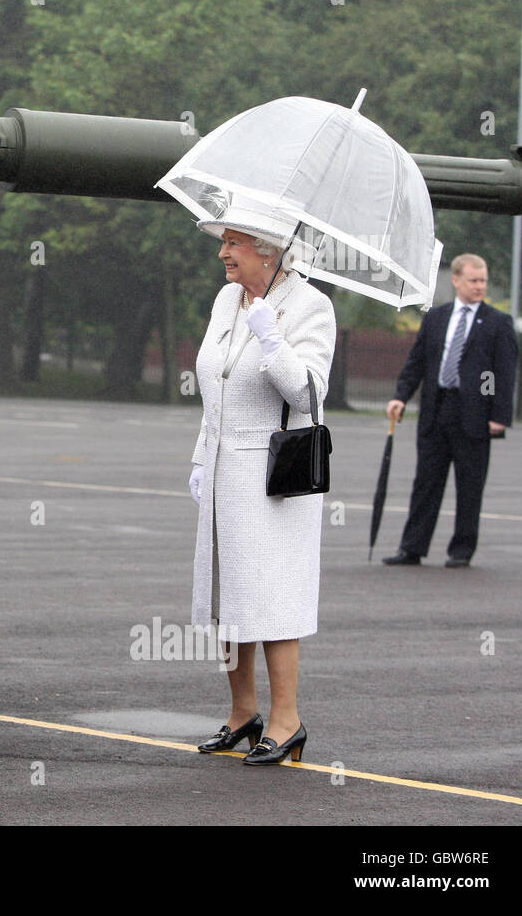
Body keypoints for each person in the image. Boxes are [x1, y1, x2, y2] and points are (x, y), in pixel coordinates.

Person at [188, 205, 336, 766]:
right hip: (225, 465)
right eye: (223, 242)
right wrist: (202, 457)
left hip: (274, 476)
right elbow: (215, 385)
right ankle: (242, 712)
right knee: (230, 595)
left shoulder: (310, 306)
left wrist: (273, 339)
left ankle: (287, 719)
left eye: (233, 243)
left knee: (273, 595)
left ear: (269, 250)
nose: (223, 252)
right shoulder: (228, 299)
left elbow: (307, 395)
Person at [382, 253, 517, 567]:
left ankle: (461, 550)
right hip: (436, 410)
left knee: (469, 485)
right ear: (456, 280)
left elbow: (503, 373)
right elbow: (417, 362)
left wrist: (499, 416)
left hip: (475, 415)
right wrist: (401, 396)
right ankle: (412, 547)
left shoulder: (498, 323)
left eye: (483, 280)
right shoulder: (436, 318)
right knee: (426, 481)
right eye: (473, 280)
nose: (479, 286)